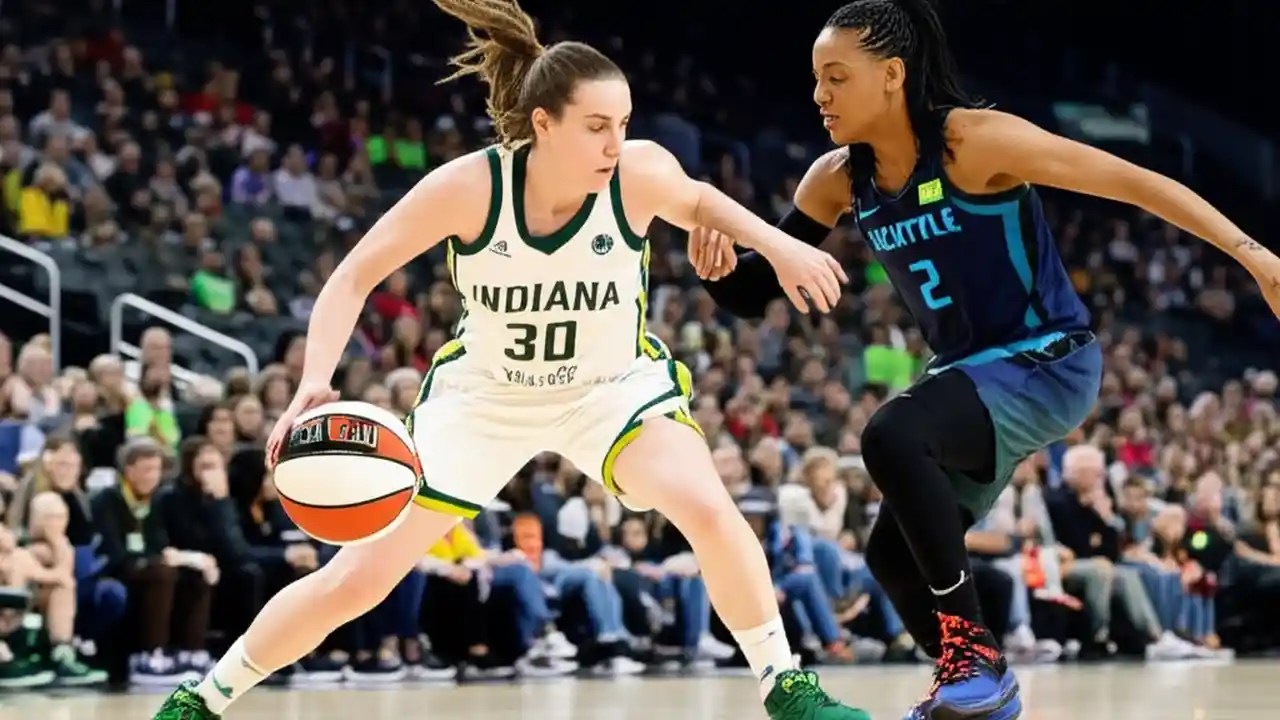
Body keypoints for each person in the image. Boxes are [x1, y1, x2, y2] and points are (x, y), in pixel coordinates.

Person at [151, 1, 865, 719]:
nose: (615, 143)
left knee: (710, 508)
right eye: (596, 127)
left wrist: (779, 243)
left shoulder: (639, 172)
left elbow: (701, 200)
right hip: (484, 400)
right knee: (354, 582)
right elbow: (353, 275)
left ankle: (785, 686)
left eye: (622, 125)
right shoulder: (469, 187)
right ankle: (203, 699)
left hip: (608, 389)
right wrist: (314, 381)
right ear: (543, 123)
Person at [689, 1, 1280, 717]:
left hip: (1049, 357)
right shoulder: (837, 180)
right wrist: (719, 270)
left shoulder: (975, 142)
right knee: (891, 558)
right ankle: (978, 696)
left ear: (892, 75)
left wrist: (1252, 255)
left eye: (837, 77)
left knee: (891, 433)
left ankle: (978, 659)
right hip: (971, 374)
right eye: (817, 79)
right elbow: (758, 291)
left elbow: (1135, 181)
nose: (819, 95)